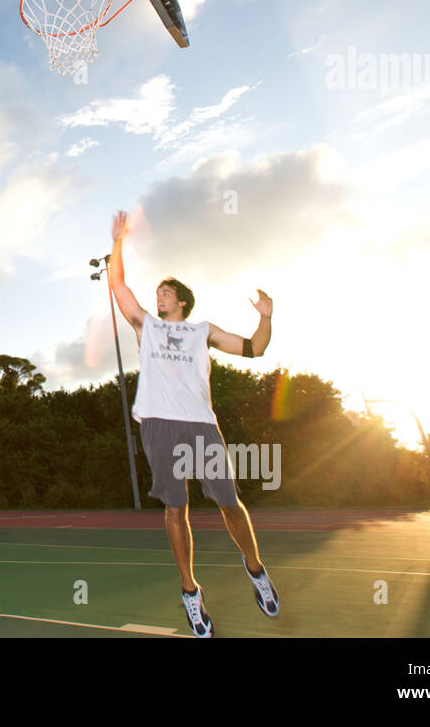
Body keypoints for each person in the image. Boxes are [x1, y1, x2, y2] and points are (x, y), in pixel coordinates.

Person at [108, 209, 278, 638]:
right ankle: (190, 592)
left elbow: (255, 349)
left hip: (201, 424)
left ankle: (255, 569)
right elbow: (118, 286)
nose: (159, 296)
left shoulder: (202, 331)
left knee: (229, 502)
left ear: (181, 300)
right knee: (176, 507)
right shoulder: (145, 326)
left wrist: (267, 316)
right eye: (158, 292)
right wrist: (119, 242)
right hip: (160, 424)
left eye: (166, 292)